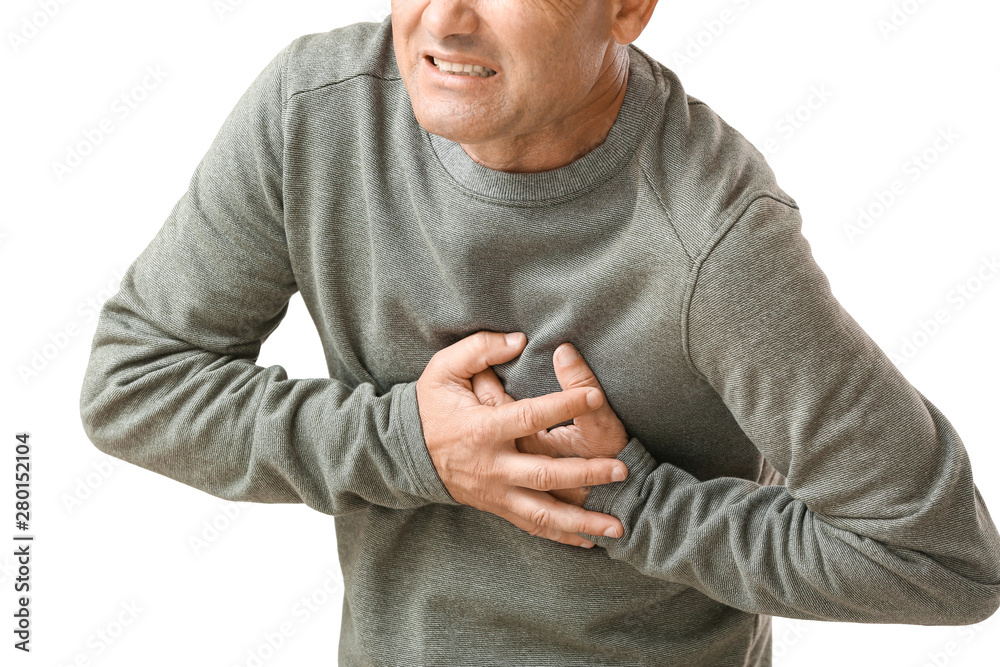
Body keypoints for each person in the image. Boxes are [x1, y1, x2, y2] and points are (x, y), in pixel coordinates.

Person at [78, 1, 1000, 665]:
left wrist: (634, 504)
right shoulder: (316, 114)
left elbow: (938, 559)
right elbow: (134, 384)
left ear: (627, 7)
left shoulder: (712, 234)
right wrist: (412, 446)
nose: (444, 21)